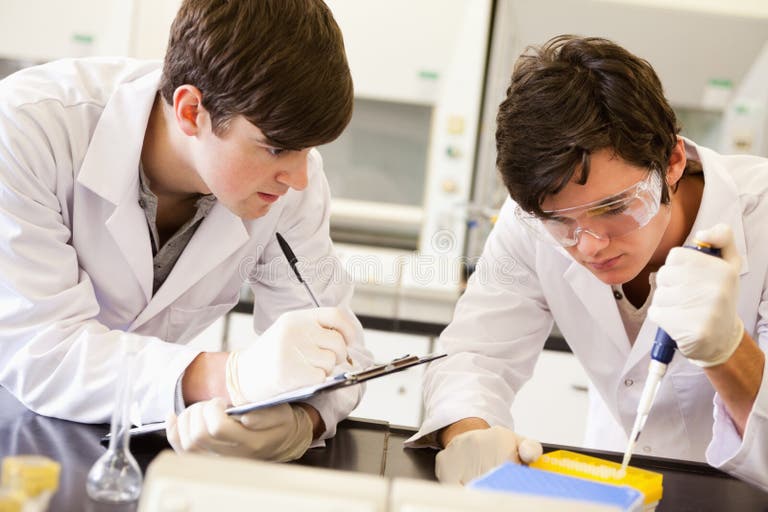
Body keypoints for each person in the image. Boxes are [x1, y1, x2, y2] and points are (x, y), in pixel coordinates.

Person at [0, 0, 372, 462]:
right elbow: (42, 349)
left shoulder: (294, 183)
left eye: (307, 150)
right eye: (276, 149)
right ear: (192, 110)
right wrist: (230, 377)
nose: (298, 178)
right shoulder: (27, 129)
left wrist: (301, 420)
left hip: (130, 443)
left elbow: (341, 348)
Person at [407, 35, 768, 491]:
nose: (592, 246)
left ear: (672, 162)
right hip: (617, 480)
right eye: (562, 222)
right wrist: (471, 433)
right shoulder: (531, 222)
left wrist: (726, 350)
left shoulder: (762, 217)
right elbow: (476, 356)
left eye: (616, 207)